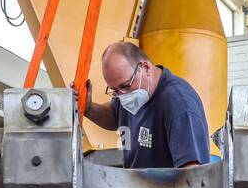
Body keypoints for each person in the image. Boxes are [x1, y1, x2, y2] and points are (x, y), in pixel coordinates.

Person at [83, 41, 211, 169]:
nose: (122, 95)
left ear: (145, 68)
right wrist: (88, 108)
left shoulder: (180, 104)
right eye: (115, 91)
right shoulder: (128, 92)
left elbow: (192, 174)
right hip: (139, 185)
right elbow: (114, 115)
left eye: (125, 85)